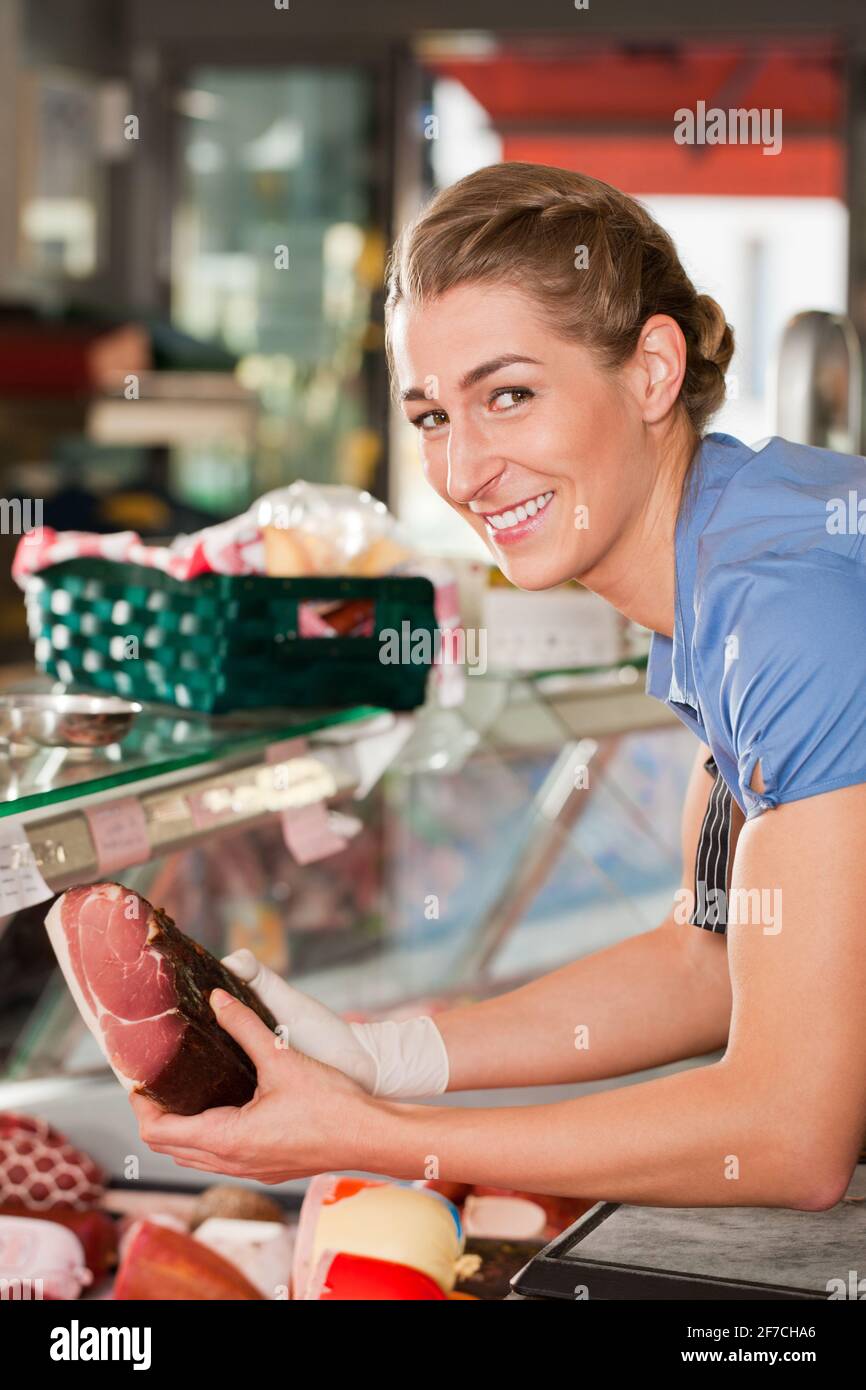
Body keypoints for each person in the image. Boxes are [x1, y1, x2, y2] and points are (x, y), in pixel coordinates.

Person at [133, 163, 866, 1211]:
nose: (464, 469)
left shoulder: (783, 608)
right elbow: (705, 959)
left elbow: (787, 1132)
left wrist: (382, 1136)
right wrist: (384, 1057)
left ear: (652, 369)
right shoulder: (720, 567)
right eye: (431, 416)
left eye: (508, 395)